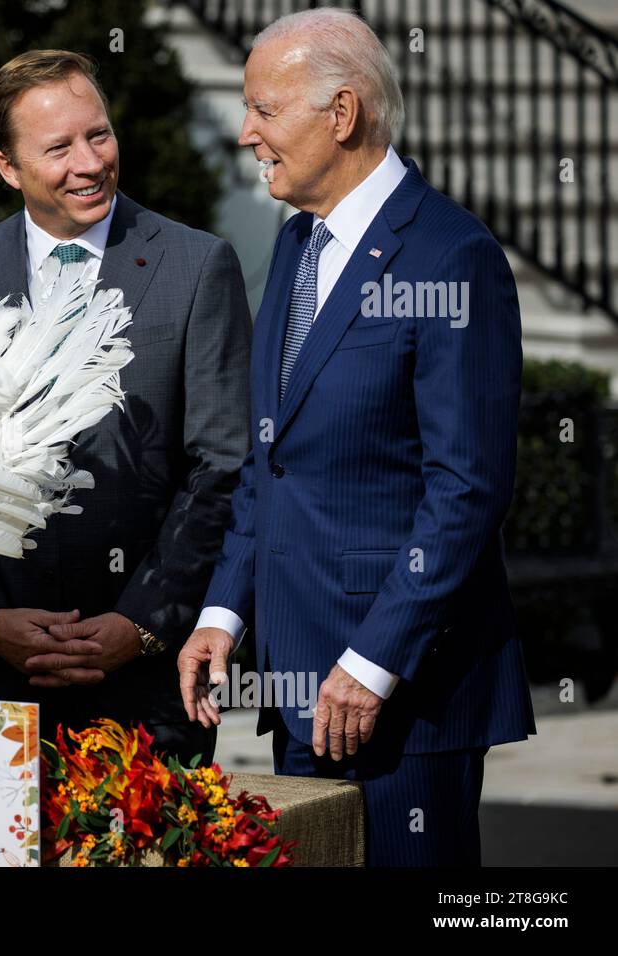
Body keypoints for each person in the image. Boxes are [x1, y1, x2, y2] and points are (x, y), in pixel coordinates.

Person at [178, 9, 535, 865]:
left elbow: (468, 490)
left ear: (341, 114)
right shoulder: (299, 239)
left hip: (403, 702)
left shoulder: (452, 257)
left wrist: (375, 662)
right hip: (300, 694)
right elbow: (275, 461)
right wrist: (224, 612)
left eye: (264, 109)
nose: (246, 133)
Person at [0, 50, 252, 764]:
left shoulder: (198, 266)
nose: (89, 162)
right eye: (58, 147)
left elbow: (220, 466)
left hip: (145, 683)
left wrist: (139, 624)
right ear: (7, 167)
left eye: (98, 135)